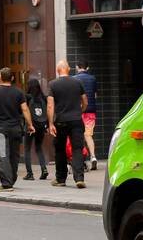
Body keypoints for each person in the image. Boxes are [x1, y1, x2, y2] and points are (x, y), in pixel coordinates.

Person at [0, 67, 35, 193]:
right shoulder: (19, 92)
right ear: (12, 78)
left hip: (0, 129)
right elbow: (25, 109)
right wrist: (30, 124)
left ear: (0, 78)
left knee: (2, 156)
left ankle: (6, 184)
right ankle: (11, 179)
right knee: (14, 155)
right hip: (16, 128)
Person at [47, 60, 88, 189]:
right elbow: (85, 101)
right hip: (76, 120)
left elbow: (50, 106)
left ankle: (60, 179)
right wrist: (80, 111)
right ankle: (79, 178)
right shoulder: (78, 82)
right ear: (68, 69)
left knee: (60, 150)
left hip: (60, 121)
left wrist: (50, 123)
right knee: (77, 149)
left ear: (58, 70)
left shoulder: (53, 84)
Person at [74, 62, 99, 170]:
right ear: (87, 67)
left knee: (78, 136)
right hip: (91, 111)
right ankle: (93, 157)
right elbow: (95, 95)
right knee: (88, 135)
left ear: (77, 67)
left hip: (78, 111)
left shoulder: (74, 79)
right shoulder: (93, 79)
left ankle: (82, 159)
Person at [24, 77, 49, 181]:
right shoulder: (44, 97)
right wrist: (46, 125)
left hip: (31, 126)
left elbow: (24, 111)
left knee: (27, 149)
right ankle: (44, 169)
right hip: (41, 126)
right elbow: (47, 112)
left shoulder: (27, 97)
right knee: (39, 148)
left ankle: (30, 173)